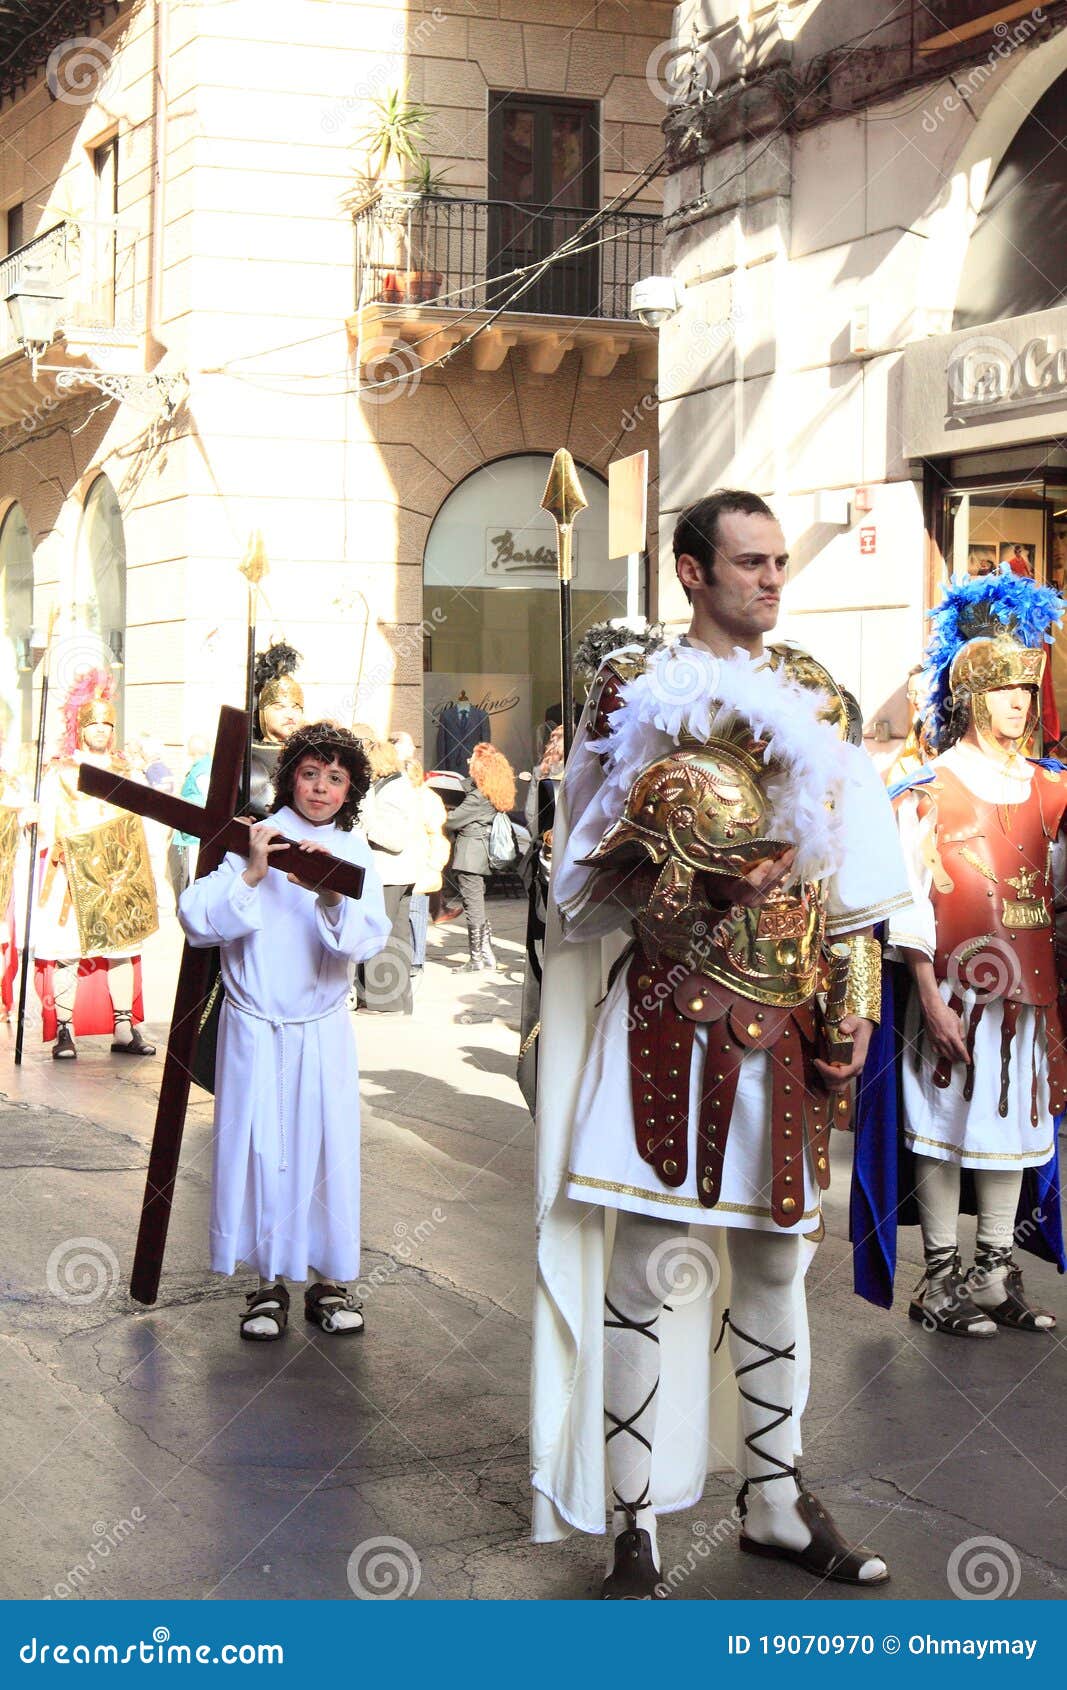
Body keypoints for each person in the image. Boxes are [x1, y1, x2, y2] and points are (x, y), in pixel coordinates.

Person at [531, 489, 911, 1598]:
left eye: (777, 561)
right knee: (647, 1263)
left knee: (777, 1259)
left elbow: (853, 877)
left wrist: (853, 1008)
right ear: (690, 573)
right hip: (667, 1011)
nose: (770, 579)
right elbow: (577, 875)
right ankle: (634, 1520)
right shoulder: (631, 691)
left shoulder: (815, 695)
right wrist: (683, 880)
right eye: (747, 562)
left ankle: (777, 1503)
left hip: (784, 1013)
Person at [855, 571, 1067, 1336]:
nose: (1018, 701)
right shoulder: (928, 787)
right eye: (1004, 688)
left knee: (1012, 1135)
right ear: (974, 695)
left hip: (1030, 1001)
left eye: (1025, 688)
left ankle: (991, 1273)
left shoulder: (1053, 790)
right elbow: (906, 900)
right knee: (942, 1129)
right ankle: (938, 1278)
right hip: (952, 993)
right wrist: (929, 996)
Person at [178, 722, 389, 1341]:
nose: (320, 788)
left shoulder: (356, 850)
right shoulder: (249, 838)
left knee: (325, 1153)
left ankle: (329, 1282)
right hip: (255, 1027)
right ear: (289, 775)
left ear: (350, 789)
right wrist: (251, 872)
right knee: (259, 1153)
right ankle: (266, 1285)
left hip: (320, 1028)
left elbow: (368, 935)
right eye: (309, 773)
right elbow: (197, 919)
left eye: (335, 778)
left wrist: (328, 896)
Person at [35, 669, 159, 1061]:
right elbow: (47, 820)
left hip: (119, 876)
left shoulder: (129, 771)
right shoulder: (62, 772)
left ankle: (124, 1028)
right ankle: (65, 1031)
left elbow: (143, 824)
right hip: (73, 873)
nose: (102, 730)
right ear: (81, 727)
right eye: (95, 724)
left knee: (122, 949)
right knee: (68, 951)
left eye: (108, 724)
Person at [357, 736, 423, 1014]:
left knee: (380, 936)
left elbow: (394, 838)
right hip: (396, 873)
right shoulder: (396, 786)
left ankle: (383, 1002)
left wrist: (368, 825)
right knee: (395, 935)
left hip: (389, 872)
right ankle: (397, 1002)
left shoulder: (391, 790)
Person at [444, 742, 516, 973]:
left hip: (470, 856)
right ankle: (486, 955)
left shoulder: (478, 797)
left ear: (481, 768)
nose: (468, 762)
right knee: (477, 905)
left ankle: (477, 959)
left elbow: (453, 820)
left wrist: (442, 811)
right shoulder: (490, 792)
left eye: (472, 760)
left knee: (473, 906)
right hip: (480, 854)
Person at [391, 733, 450, 977]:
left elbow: (435, 832)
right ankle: (409, 958)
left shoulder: (426, 798)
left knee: (415, 911)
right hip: (402, 863)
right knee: (405, 912)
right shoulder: (401, 795)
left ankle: (415, 960)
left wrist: (434, 863)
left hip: (420, 863)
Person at [248, 641, 304, 820]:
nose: (290, 715)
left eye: (295, 708)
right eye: (279, 707)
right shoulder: (244, 758)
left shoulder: (308, 755)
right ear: (262, 713)